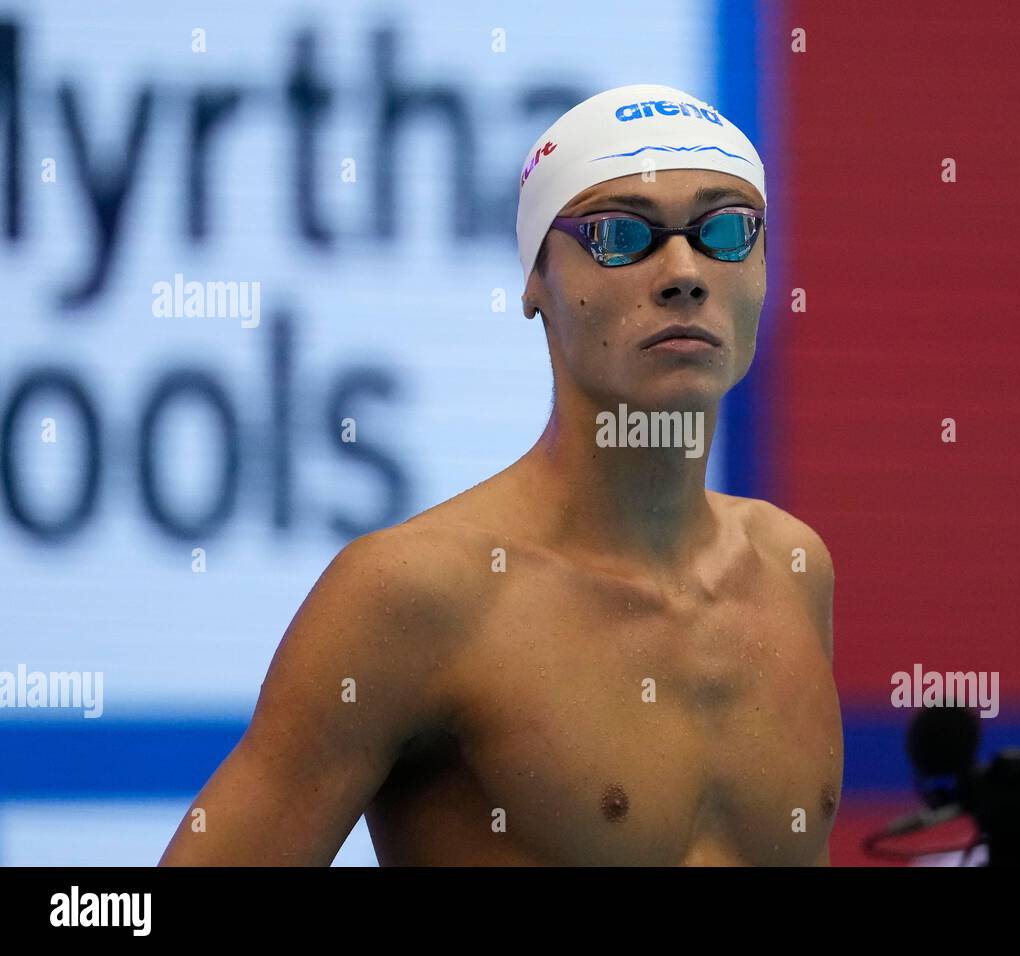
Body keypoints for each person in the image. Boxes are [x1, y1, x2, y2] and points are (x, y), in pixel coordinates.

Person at [159, 83, 842, 866]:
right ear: (535, 282)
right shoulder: (415, 594)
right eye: (622, 234)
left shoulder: (792, 569)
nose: (684, 272)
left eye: (726, 230)